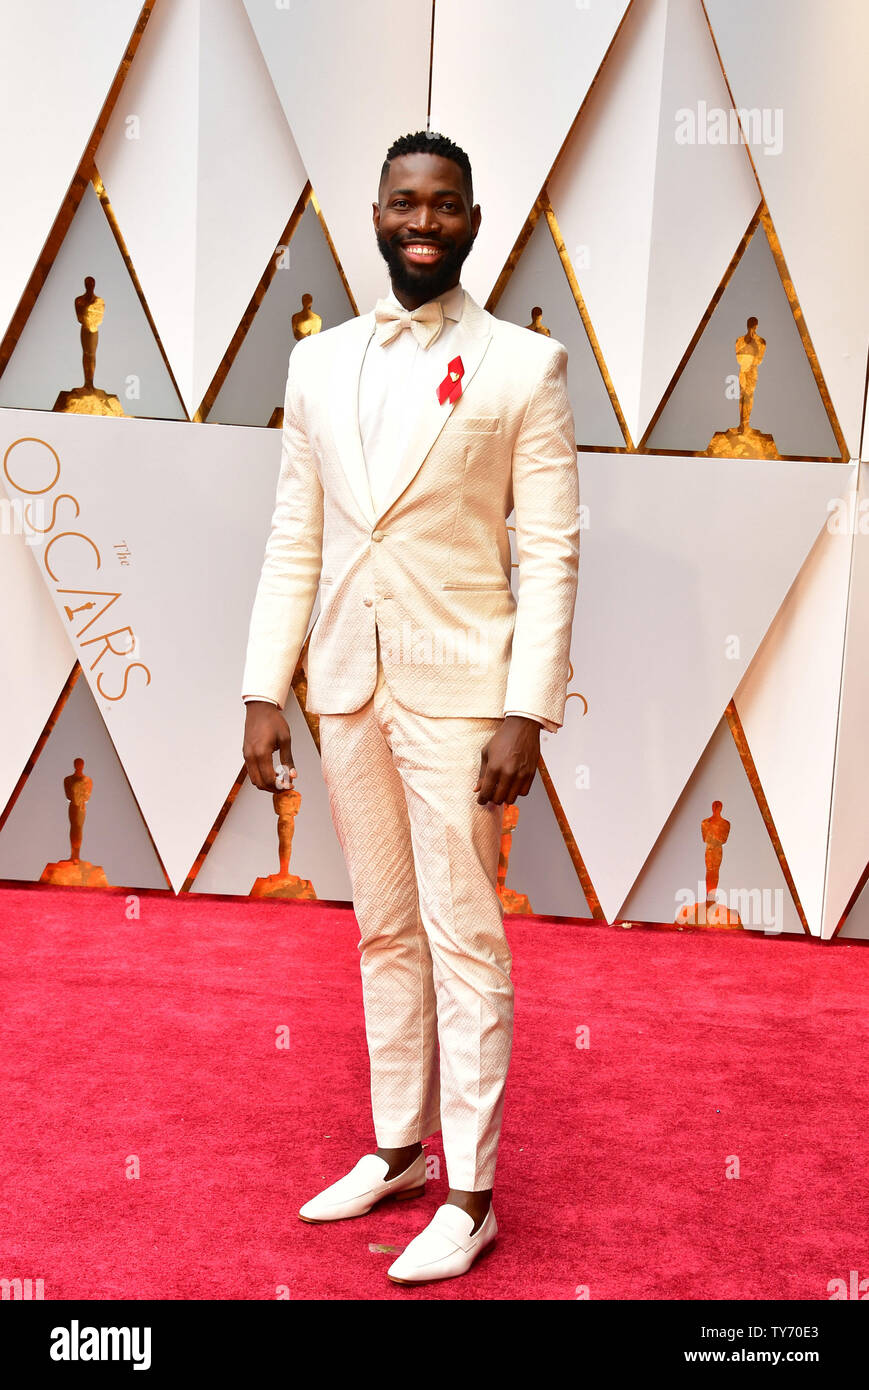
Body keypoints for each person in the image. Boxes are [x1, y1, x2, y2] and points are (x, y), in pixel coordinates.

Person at [241, 130, 579, 1285]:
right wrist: (260, 687)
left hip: (460, 693)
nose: (419, 220)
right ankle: (395, 1149)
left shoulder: (523, 367)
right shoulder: (316, 364)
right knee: (381, 927)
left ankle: (471, 1194)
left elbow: (551, 551)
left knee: (464, 938)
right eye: (401, 202)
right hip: (343, 686)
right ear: (375, 217)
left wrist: (525, 710)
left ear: (473, 221)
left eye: (441, 204)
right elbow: (298, 533)